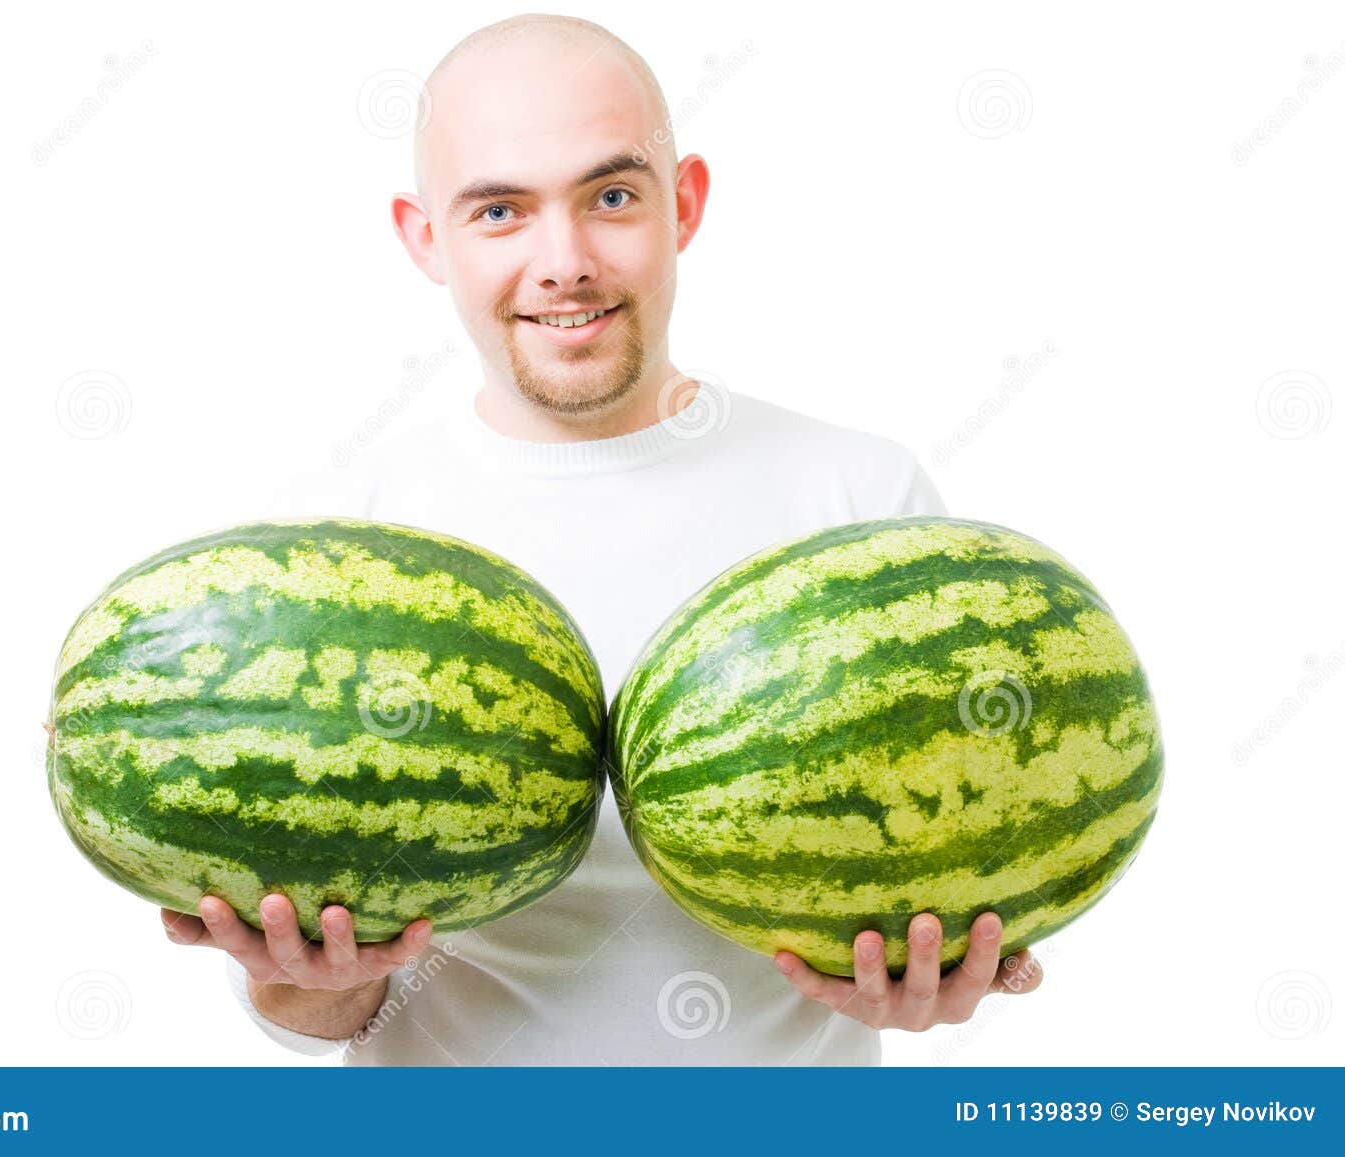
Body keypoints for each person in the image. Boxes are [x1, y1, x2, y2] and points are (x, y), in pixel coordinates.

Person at [159, 13, 1042, 1064]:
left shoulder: (860, 498)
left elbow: (960, 856)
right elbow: (315, 1015)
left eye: (611, 196)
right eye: (499, 210)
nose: (563, 261)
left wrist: (931, 982)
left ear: (685, 203)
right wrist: (302, 980)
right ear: (424, 237)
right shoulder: (341, 539)